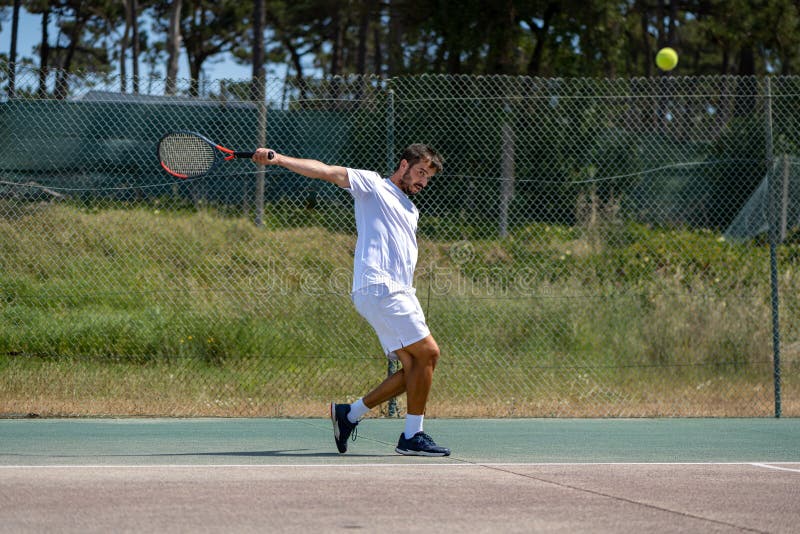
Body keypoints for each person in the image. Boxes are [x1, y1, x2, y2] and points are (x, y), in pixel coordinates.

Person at [252, 144, 450, 457]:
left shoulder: (411, 210)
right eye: (421, 172)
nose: (423, 182)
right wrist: (279, 159)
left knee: (414, 366)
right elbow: (325, 170)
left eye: (429, 177)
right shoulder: (373, 185)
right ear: (404, 165)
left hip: (396, 290)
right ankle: (412, 436)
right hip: (381, 287)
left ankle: (349, 415)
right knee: (430, 353)